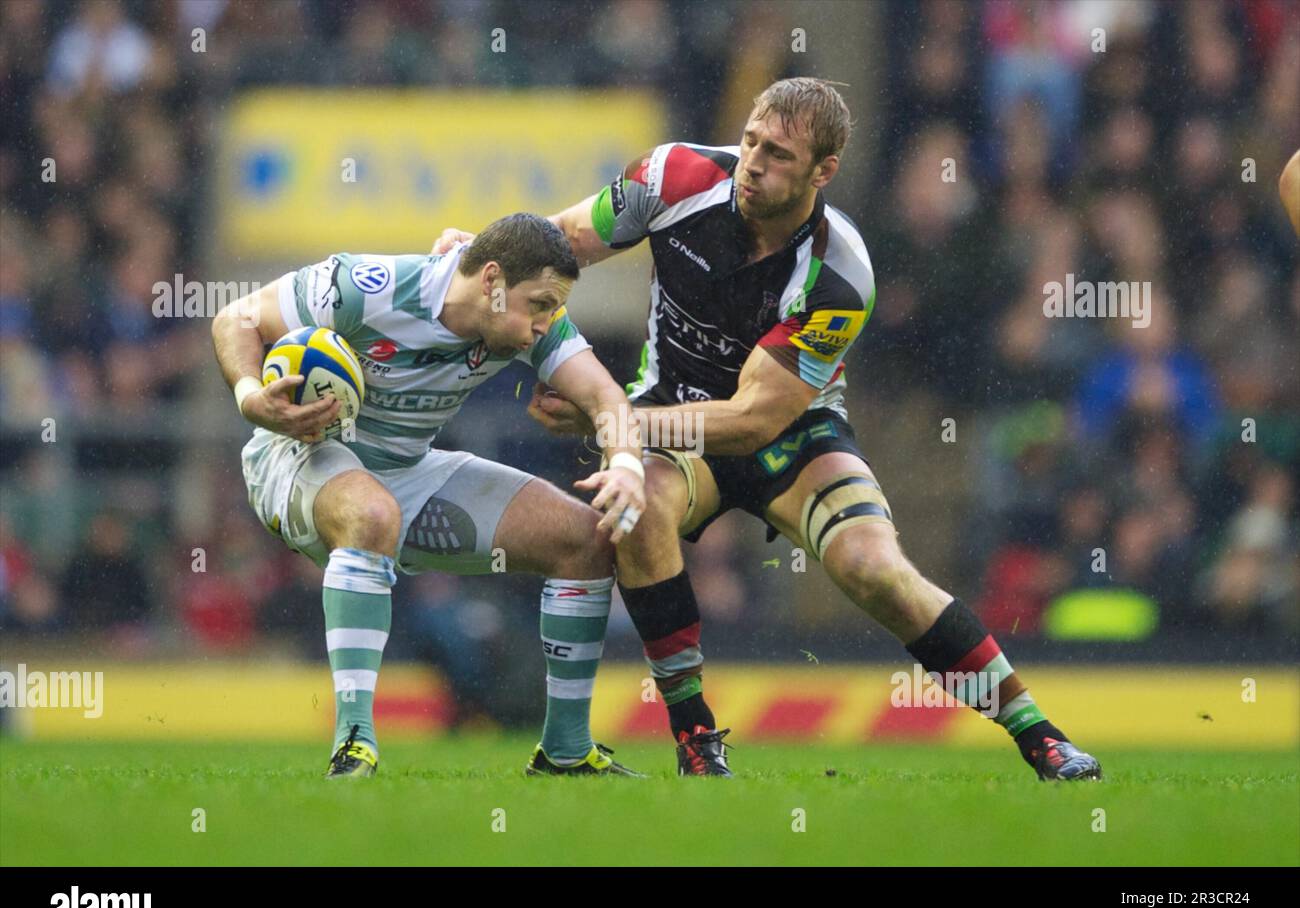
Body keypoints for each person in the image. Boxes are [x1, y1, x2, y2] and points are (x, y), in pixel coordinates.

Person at [436, 78, 1101, 781]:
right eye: (751, 140)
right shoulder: (671, 177)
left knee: (874, 570)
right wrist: (474, 262)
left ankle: (1039, 734)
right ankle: (696, 740)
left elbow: (755, 420)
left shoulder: (839, 275)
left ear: (823, 172)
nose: (753, 162)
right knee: (634, 510)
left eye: (779, 154)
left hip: (791, 435)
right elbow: (561, 242)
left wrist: (614, 418)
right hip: (674, 415)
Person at [212, 213, 646, 777]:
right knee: (371, 512)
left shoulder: (530, 321)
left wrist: (627, 466)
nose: (544, 322)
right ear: (491, 281)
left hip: (407, 471)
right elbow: (235, 317)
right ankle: (354, 745)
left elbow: (605, 396)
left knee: (585, 538)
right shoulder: (368, 288)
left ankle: (565, 750)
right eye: (537, 303)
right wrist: (252, 398)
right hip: (299, 458)